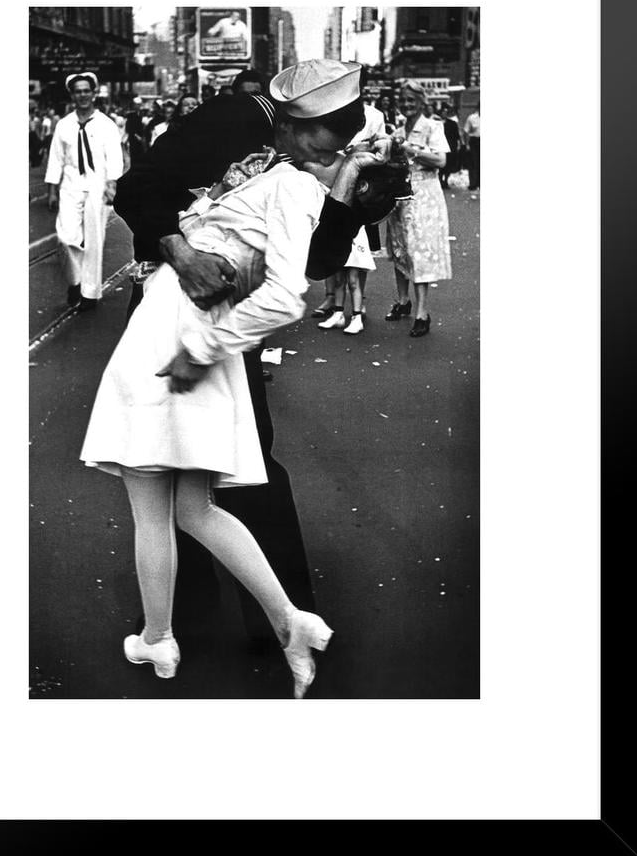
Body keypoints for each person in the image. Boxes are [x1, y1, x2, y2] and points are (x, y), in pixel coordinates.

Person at [84, 60, 381, 696]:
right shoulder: (237, 118)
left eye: (344, 142)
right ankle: (199, 619)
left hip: (219, 322)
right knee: (187, 482)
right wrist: (181, 252)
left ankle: (241, 622)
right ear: (296, 124)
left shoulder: (315, 168)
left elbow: (314, 264)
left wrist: (353, 208)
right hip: (182, 300)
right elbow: (139, 190)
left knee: (209, 474)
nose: (329, 153)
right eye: (326, 138)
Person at [44, 72, 124, 310]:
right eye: (78, 91)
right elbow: (55, 159)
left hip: (98, 185)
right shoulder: (64, 125)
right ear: (72, 95)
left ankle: (89, 293)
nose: (82, 95)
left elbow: (115, 158)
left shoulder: (106, 125)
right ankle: (75, 280)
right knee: (66, 237)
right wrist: (51, 190)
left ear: (94, 93)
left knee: (94, 239)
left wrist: (112, 185)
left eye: (86, 91)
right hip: (70, 184)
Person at [383, 80, 452, 337]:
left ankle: (422, 312)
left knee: (420, 251)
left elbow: (441, 160)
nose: (407, 105)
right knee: (400, 249)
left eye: (412, 100)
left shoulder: (433, 127)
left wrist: (409, 149)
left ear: (422, 102)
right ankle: (403, 301)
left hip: (425, 195)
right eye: (403, 100)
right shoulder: (398, 131)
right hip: (401, 195)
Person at [315, 100, 388, 331]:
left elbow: (380, 155)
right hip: (335, 200)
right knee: (337, 269)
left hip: (357, 207)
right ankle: (337, 310)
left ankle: (357, 312)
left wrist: (370, 148)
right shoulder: (328, 113)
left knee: (354, 274)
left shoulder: (374, 117)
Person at [437, 103, 461, 189]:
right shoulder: (436, 124)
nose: (444, 114)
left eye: (446, 112)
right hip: (439, 146)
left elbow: (456, 135)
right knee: (440, 165)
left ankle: (446, 180)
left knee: (449, 165)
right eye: (443, 112)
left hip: (450, 146)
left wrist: (458, 145)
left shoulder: (452, 123)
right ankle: (440, 180)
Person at [463, 103, 481, 190]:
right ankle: (473, 184)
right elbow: (466, 131)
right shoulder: (472, 118)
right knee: (474, 163)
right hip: (475, 141)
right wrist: (466, 145)